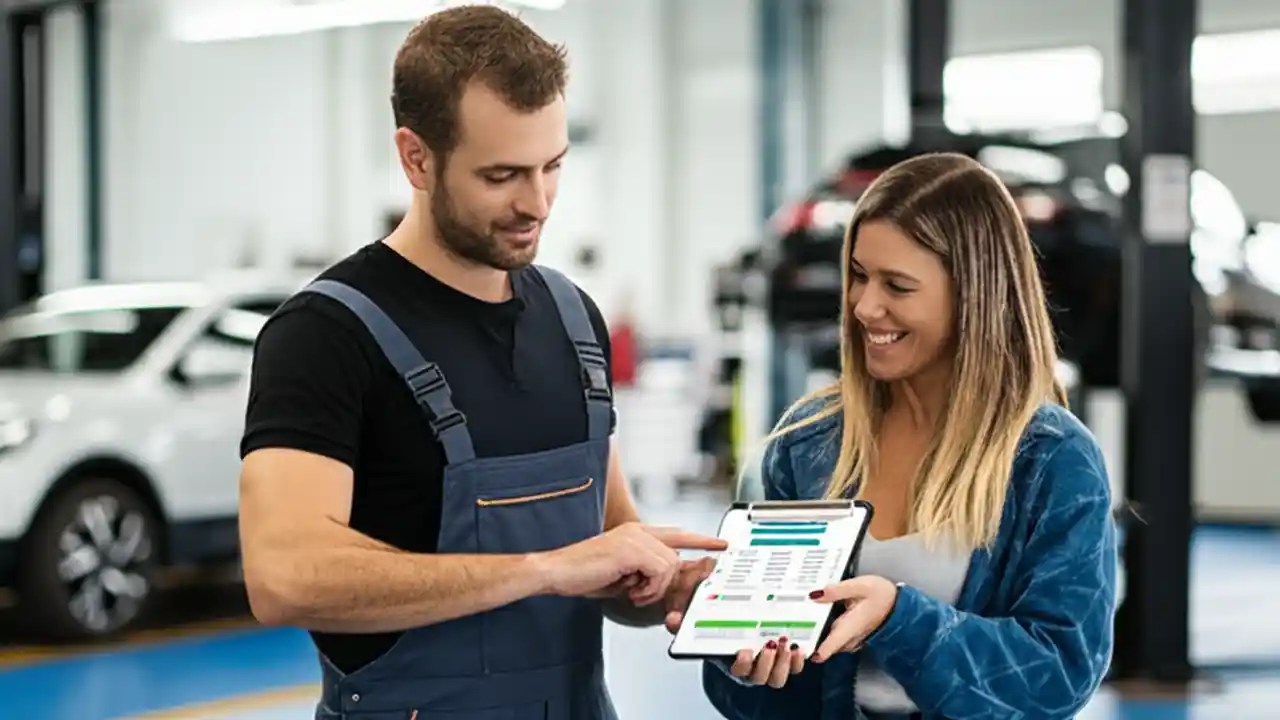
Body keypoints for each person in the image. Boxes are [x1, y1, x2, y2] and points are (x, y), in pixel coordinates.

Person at [236, 6, 724, 719]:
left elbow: (607, 555)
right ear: (416, 158)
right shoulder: (325, 334)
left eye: (552, 165)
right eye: (501, 175)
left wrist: (668, 590)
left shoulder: (573, 319)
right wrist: (544, 571)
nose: (537, 203)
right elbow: (285, 576)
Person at [676, 153, 1118, 719]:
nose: (864, 306)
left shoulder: (1052, 461)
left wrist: (899, 619)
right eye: (858, 275)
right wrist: (734, 649)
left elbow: (1059, 673)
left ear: (973, 294)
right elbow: (762, 702)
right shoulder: (805, 445)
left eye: (898, 286)